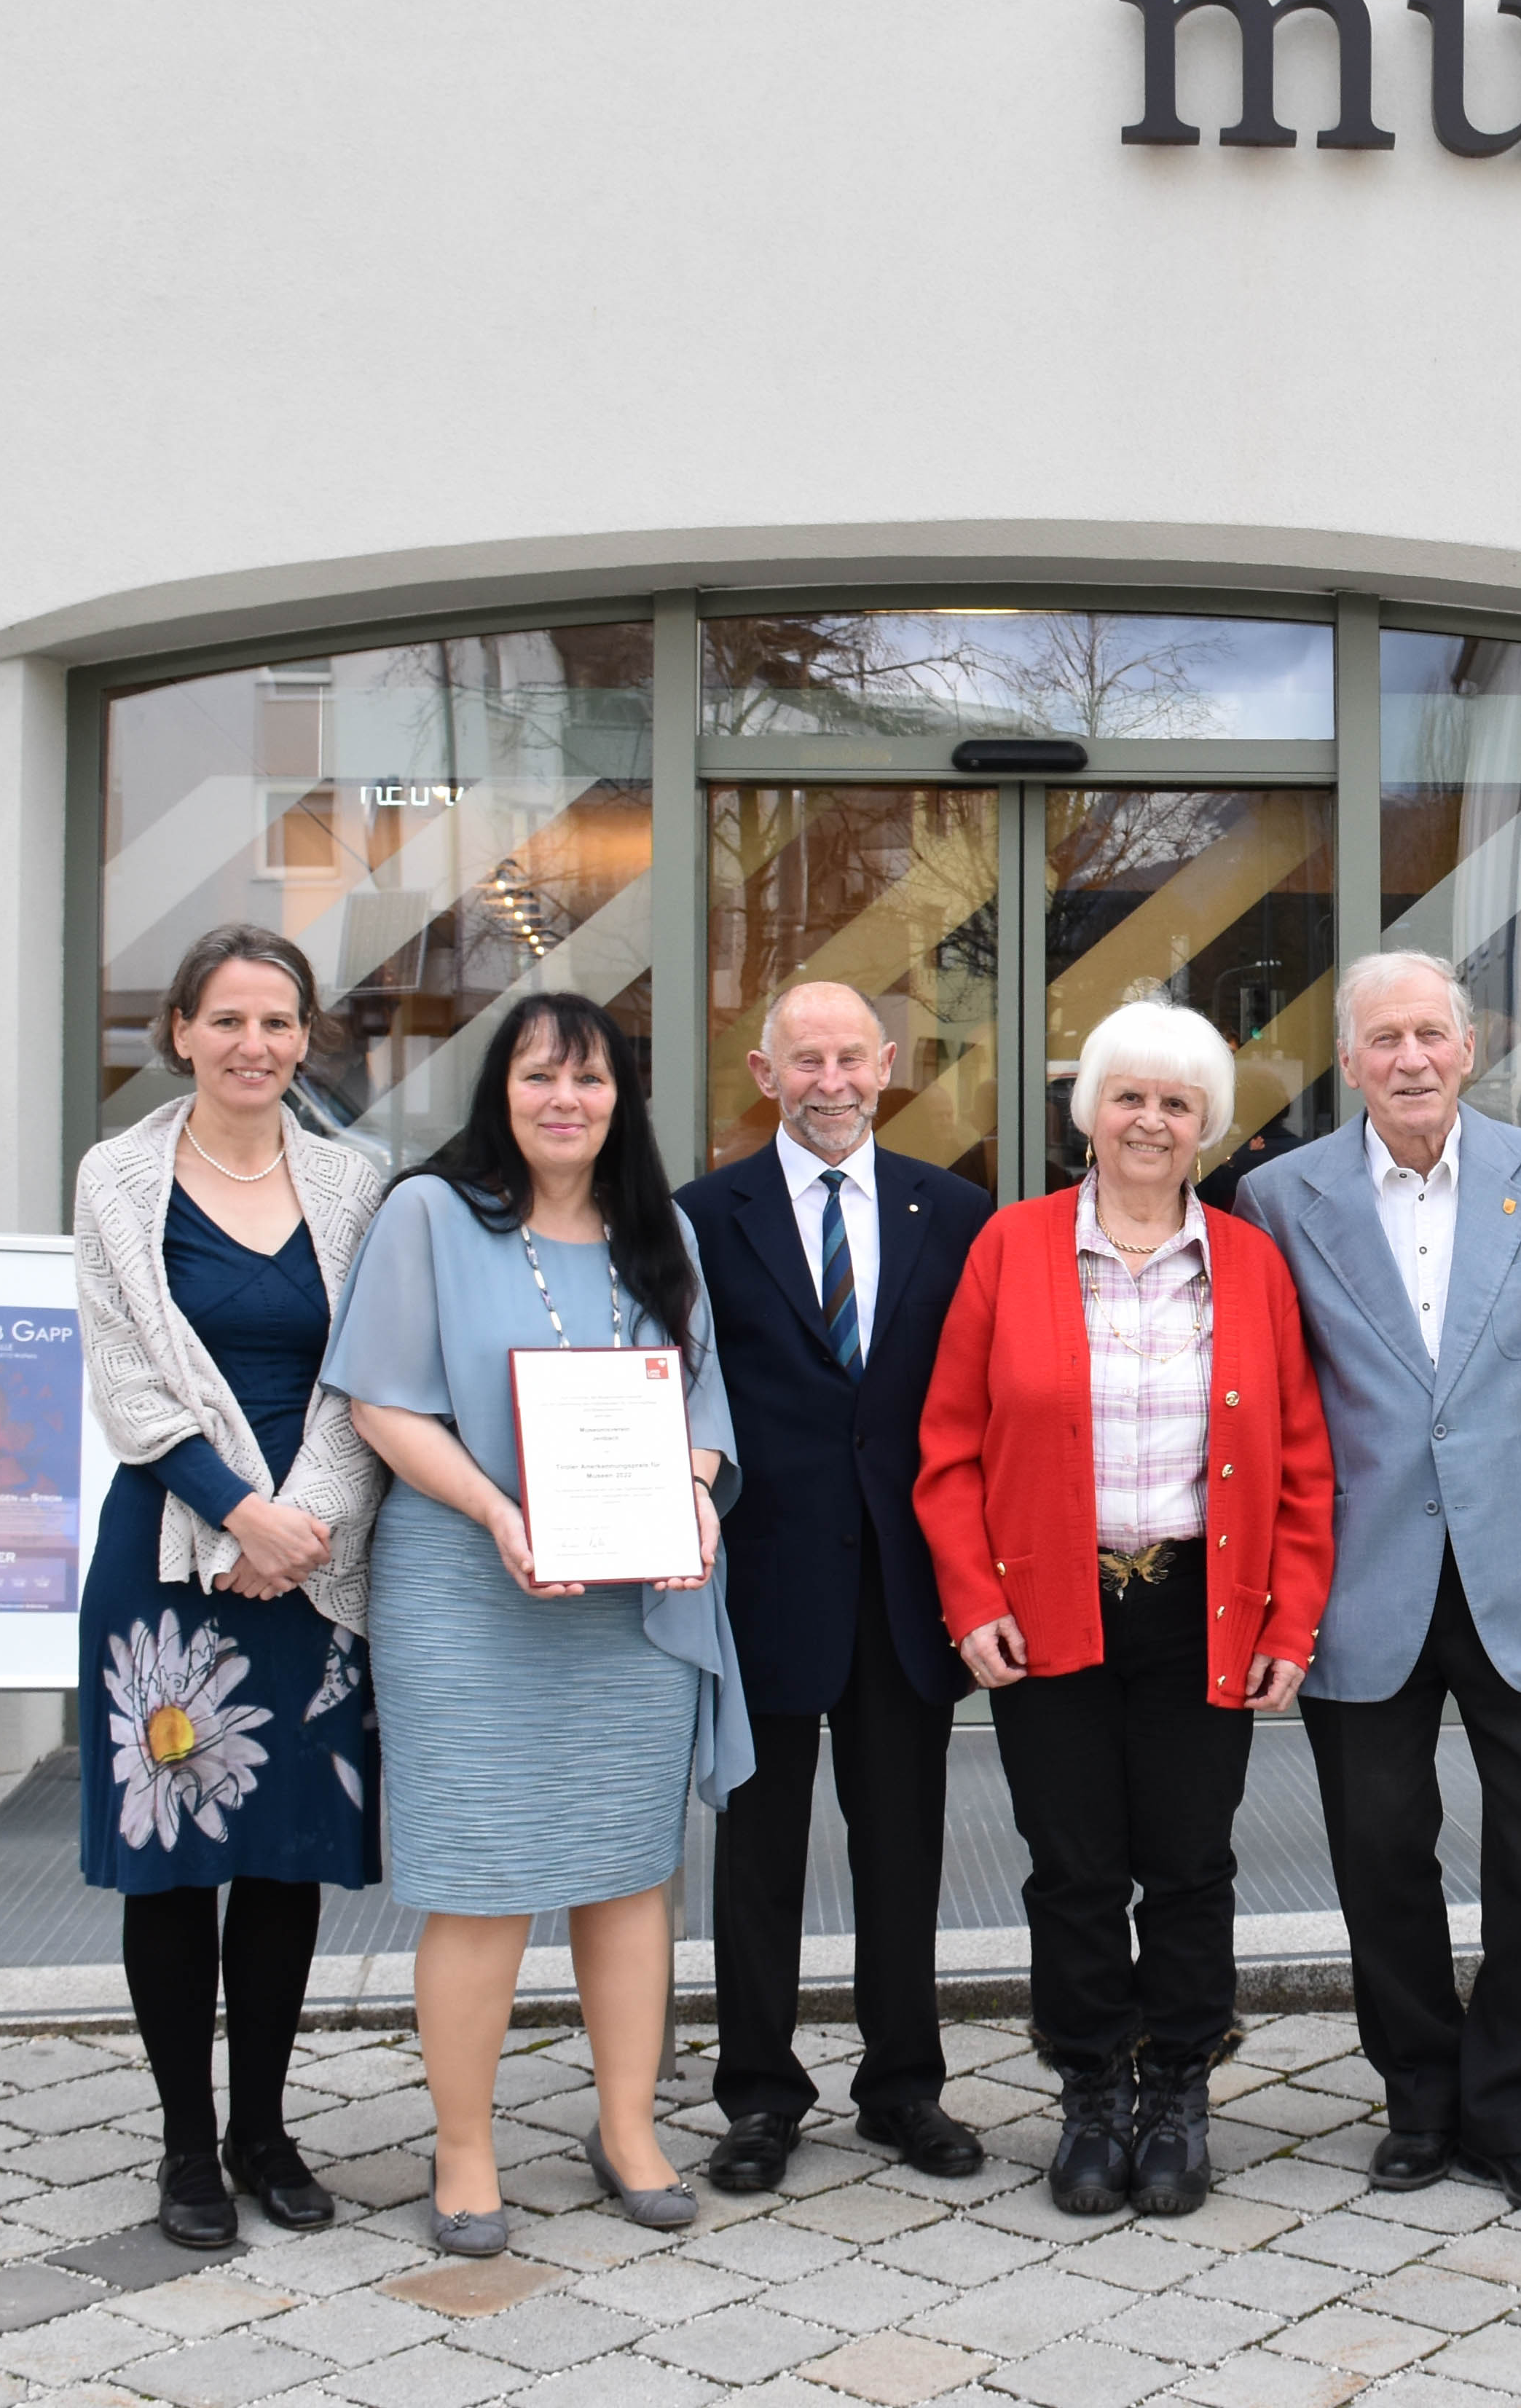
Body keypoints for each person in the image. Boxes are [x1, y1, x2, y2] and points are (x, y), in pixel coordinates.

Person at [323, 993, 749, 2256]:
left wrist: (694, 1490)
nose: (566, 1099)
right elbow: (380, 1406)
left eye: (592, 1079)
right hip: (466, 1586)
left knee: (629, 1868)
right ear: (499, 1092)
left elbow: (706, 1399)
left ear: (623, 1097)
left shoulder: (655, 1226)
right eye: (538, 1076)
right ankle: (464, 2151)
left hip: (630, 1603)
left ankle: (626, 2128)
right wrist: (504, 1514)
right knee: (484, 1878)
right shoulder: (430, 1215)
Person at [918, 999, 1333, 2219]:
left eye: (1176, 1102)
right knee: (1071, 1868)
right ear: (1087, 1114)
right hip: (1053, 1604)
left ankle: (1180, 2093)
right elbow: (946, 1445)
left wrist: (1288, 1620)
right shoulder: (1012, 1247)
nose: (1149, 1120)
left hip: (1203, 1602)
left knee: (1191, 1863)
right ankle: (1091, 2089)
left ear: (1204, 1125)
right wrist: (971, 1597)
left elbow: (1302, 1460)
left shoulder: (1250, 1264)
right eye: (1127, 1097)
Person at [1246, 954, 1521, 2221]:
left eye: (1429, 1033)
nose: (1408, 1058)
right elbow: (1273, 1415)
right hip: (1359, 1579)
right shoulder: (1276, 1195)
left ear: (1467, 1048)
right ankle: (1417, 2098)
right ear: (1350, 1061)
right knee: (1379, 1858)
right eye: (1382, 1039)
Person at [73, 925, 391, 2249]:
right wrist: (237, 1517)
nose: (254, 1045)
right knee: (172, 1864)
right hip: (168, 1554)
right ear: (183, 1033)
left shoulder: (357, 1181)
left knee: (280, 1863)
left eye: (279, 1022)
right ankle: (187, 2146)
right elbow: (126, 1378)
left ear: (307, 1036)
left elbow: (369, 1376)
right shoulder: (120, 1177)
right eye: (229, 1021)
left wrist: (300, 1523)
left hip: (312, 1567)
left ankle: (265, 2126)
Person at [676, 982, 995, 2191]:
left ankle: (902, 2088)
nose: (829, 1081)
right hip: (757, 1582)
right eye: (803, 1060)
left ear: (887, 1065)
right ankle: (758, 2096)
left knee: (904, 1848)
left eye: (848, 1058)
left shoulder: (955, 1210)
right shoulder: (704, 1215)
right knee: (755, 1855)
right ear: (764, 1074)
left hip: (906, 1585)